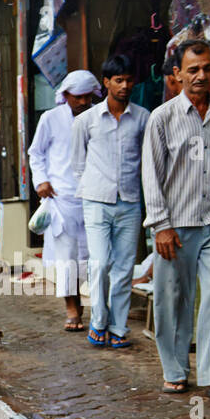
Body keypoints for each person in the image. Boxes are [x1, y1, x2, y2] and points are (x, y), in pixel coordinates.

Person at [141, 38, 210, 400]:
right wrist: (161, 225)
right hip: (176, 224)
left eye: (207, 68)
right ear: (177, 74)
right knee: (173, 299)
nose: (201, 76)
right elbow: (151, 174)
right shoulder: (162, 118)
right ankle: (174, 370)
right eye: (192, 70)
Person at [71, 54, 149, 349]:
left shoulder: (143, 118)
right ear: (106, 83)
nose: (125, 85)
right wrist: (91, 187)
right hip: (96, 201)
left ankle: (118, 327)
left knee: (124, 268)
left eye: (129, 80)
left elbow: (147, 161)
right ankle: (99, 321)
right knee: (100, 263)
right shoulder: (86, 120)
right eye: (119, 80)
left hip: (130, 202)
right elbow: (77, 163)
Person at [29, 69, 101, 331]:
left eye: (87, 97)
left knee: (93, 257)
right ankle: (72, 308)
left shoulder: (98, 117)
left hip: (94, 197)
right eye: (78, 97)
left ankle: (93, 307)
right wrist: (41, 181)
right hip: (61, 198)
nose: (83, 102)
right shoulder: (50, 118)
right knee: (67, 257)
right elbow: (35, 153)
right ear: (66, 95)